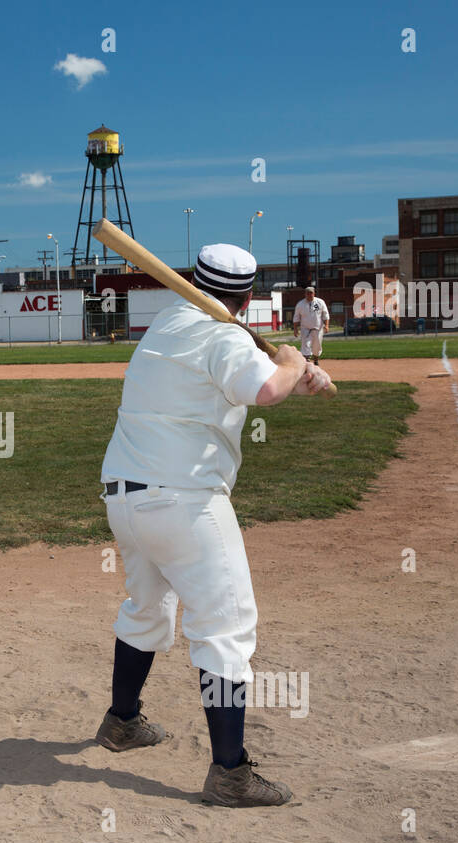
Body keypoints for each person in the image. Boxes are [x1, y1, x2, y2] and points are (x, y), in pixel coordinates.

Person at [95, 243, 332, 808]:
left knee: (147, 608)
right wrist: (297, 364)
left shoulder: (167, 325)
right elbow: (267, 388)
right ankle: (231, 774)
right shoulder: (225, 335)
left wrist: (294, 375)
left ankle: (122, 722)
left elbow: (245, 380)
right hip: (185, 503)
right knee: (225, 629)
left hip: (124, 497)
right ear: (247, 297)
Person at [292, 286, 330, 365]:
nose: (309, 295)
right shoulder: (300, 304)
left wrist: (326, 325)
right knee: (305, 344)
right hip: (305, 328)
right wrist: (295, 329)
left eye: (311, 293)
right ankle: (307, 360)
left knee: (317, 345)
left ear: (314, 293)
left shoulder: (319, 302)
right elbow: (296, 317)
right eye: (307, 293)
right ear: (305, 294)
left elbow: (325, 314)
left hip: (317, 328)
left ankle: (316, 359)